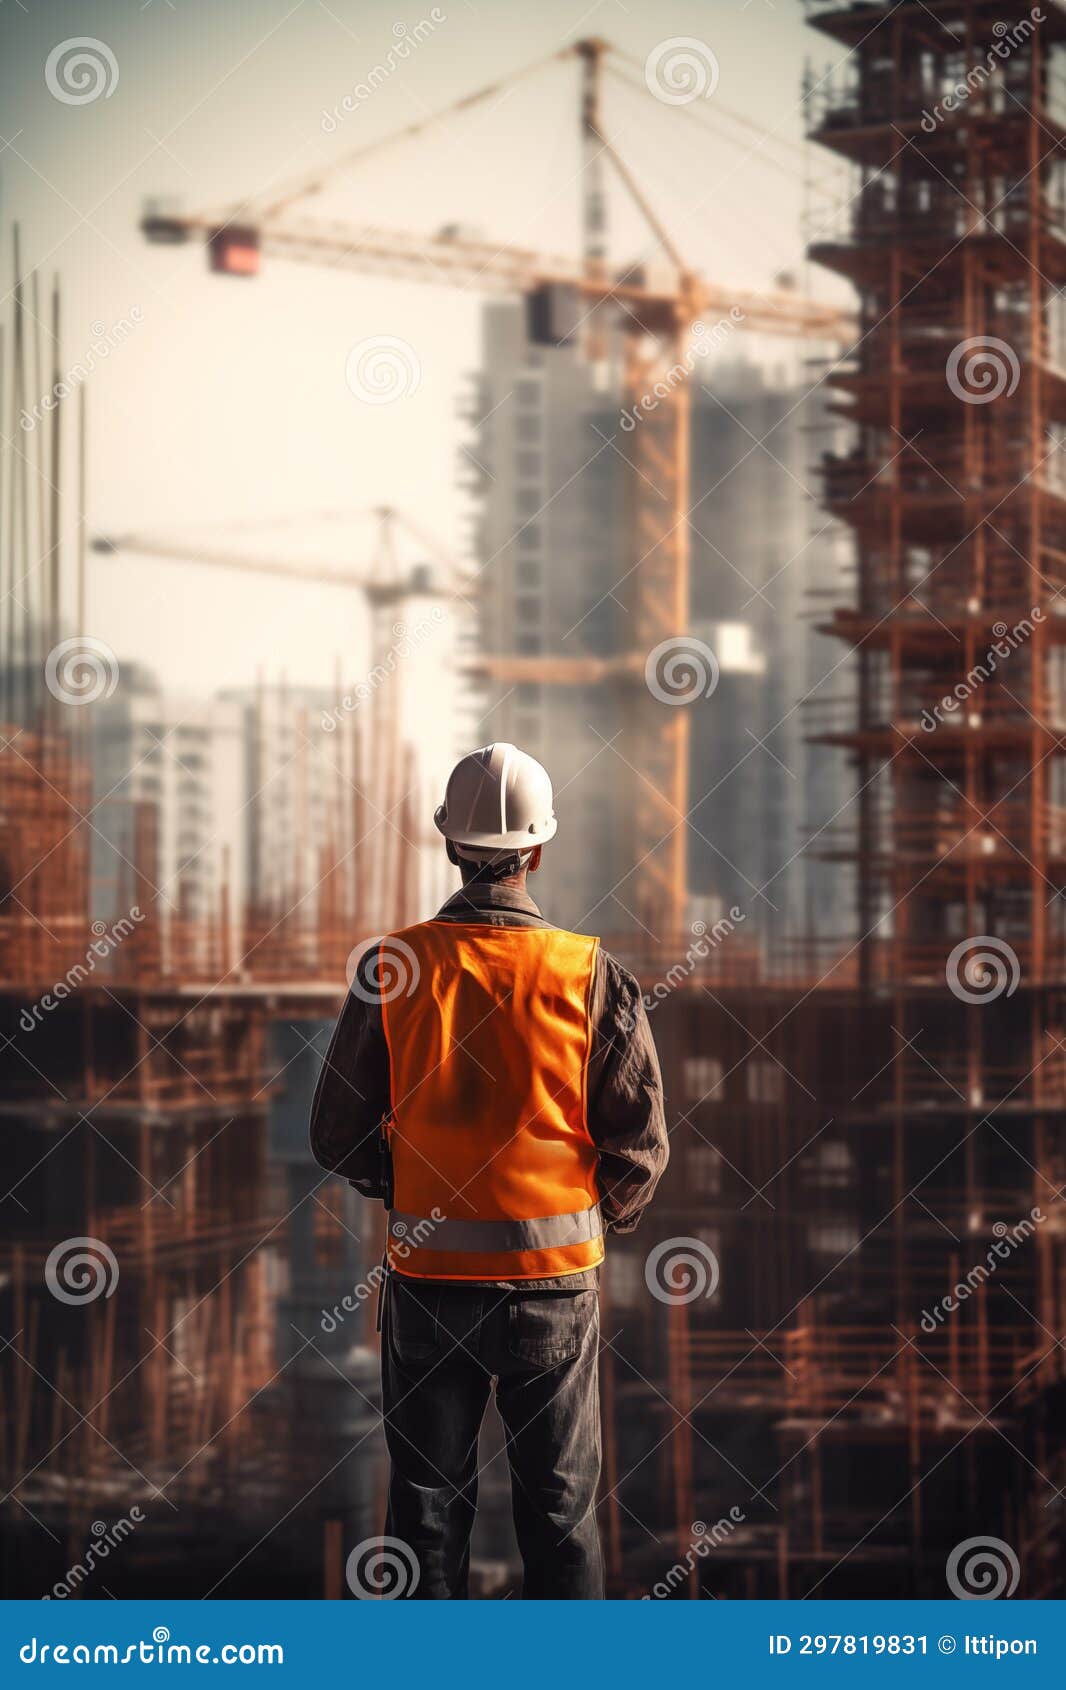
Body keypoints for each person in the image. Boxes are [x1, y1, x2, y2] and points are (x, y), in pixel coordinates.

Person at [310, 742, 668, 1599]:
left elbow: (335, 1133)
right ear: (536, 850)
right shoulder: (590, 973)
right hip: (554, 1285)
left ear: (448, 842)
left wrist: (416, 1188)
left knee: (427, 1515)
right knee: (561, 1517)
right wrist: (590, 1216)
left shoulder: (392, 966)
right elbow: (640, 1146)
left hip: (431, 1282)